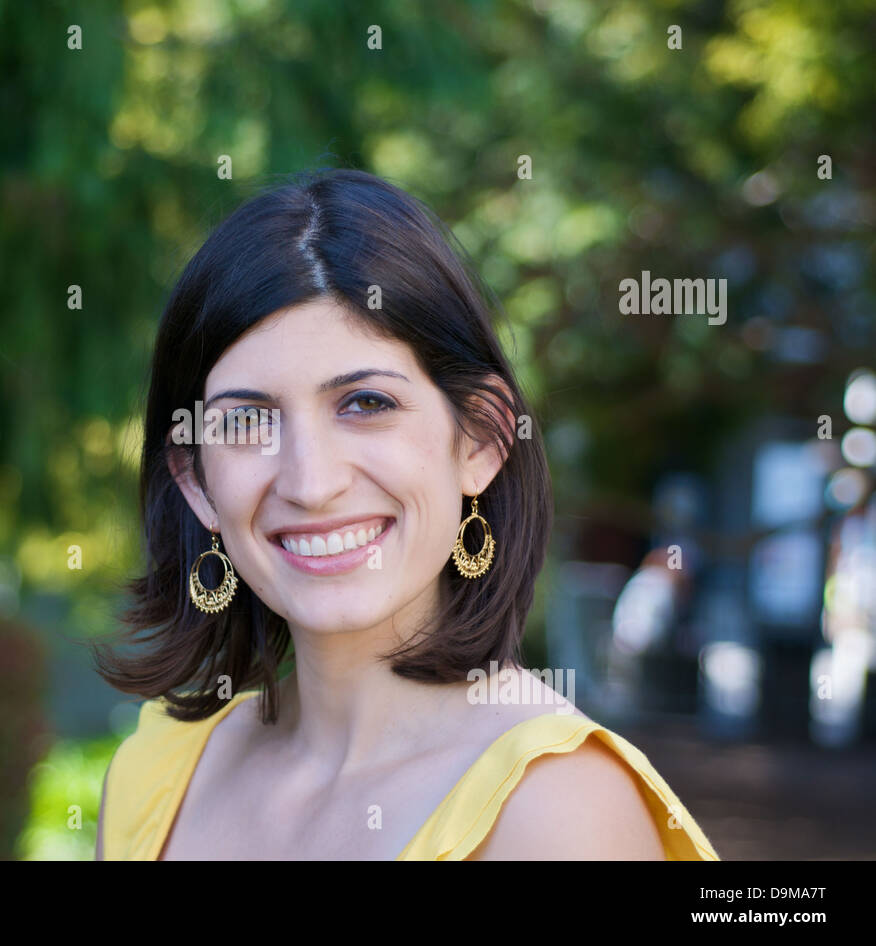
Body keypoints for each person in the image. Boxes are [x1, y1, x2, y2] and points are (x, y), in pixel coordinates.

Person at [90, 168, 719, 860]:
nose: (311, 482)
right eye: (247, 421)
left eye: (365, 404)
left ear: (480, 438)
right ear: (197, 482)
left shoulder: (558, 808)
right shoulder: (156, 775)